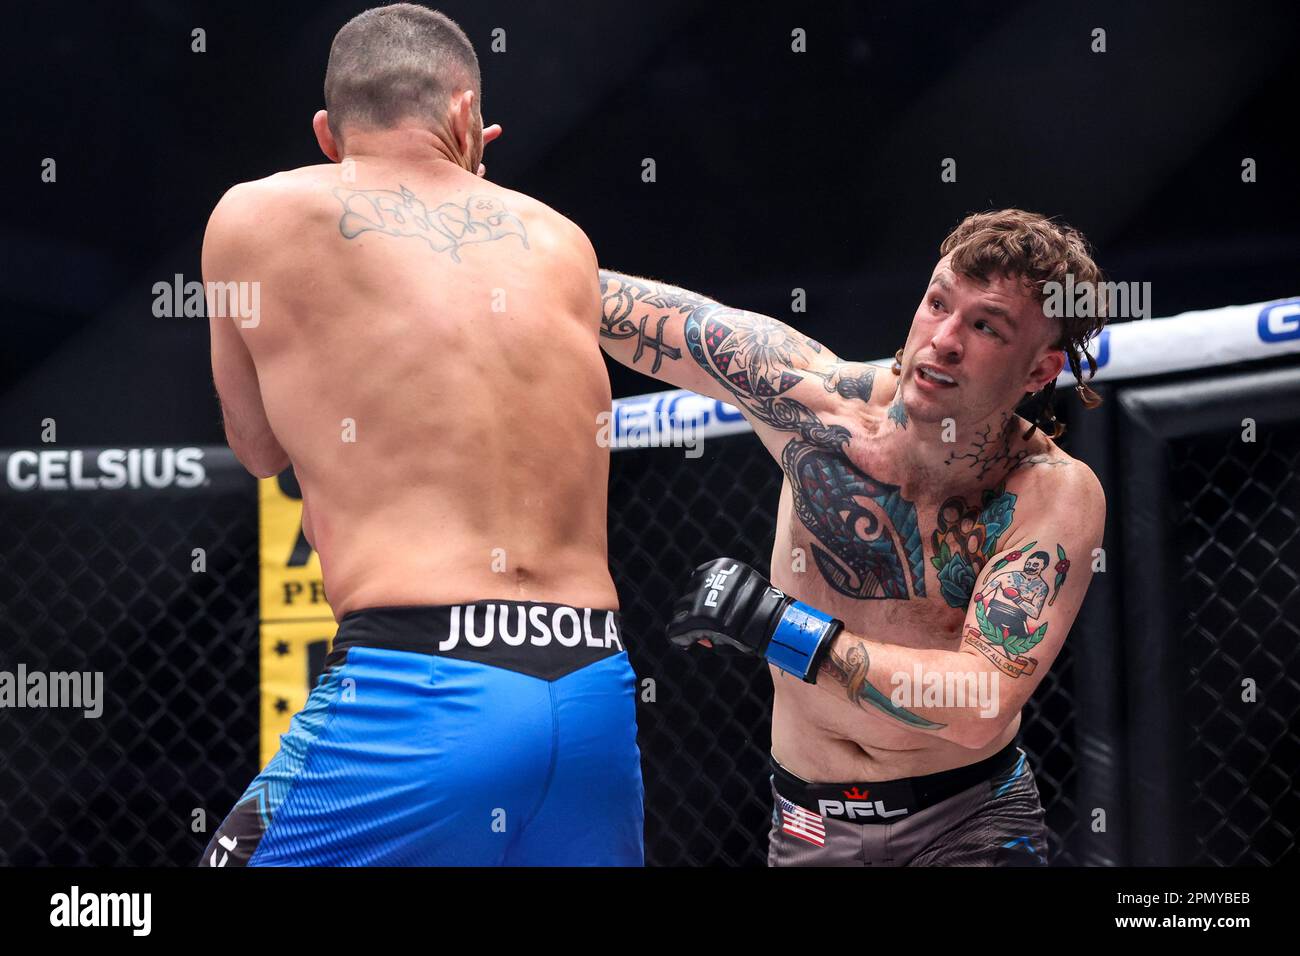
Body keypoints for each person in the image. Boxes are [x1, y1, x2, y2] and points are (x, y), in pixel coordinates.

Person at [200, 4, 641, 866]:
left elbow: (257, 448)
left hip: (422, 687)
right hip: (595, 690)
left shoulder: (252, 216)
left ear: (328, 132)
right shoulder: (560, 238)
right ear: (467, 116)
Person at [599, 209, 1107, 865]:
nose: (944, 339)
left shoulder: (1048, 493)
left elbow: (982, 699)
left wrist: (779, 626)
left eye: (985, 326)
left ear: (1040, 370)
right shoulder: (817, 406)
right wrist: (475, 219)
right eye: (937, 302)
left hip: (967, 823)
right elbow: (620, 308)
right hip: (809, 826)